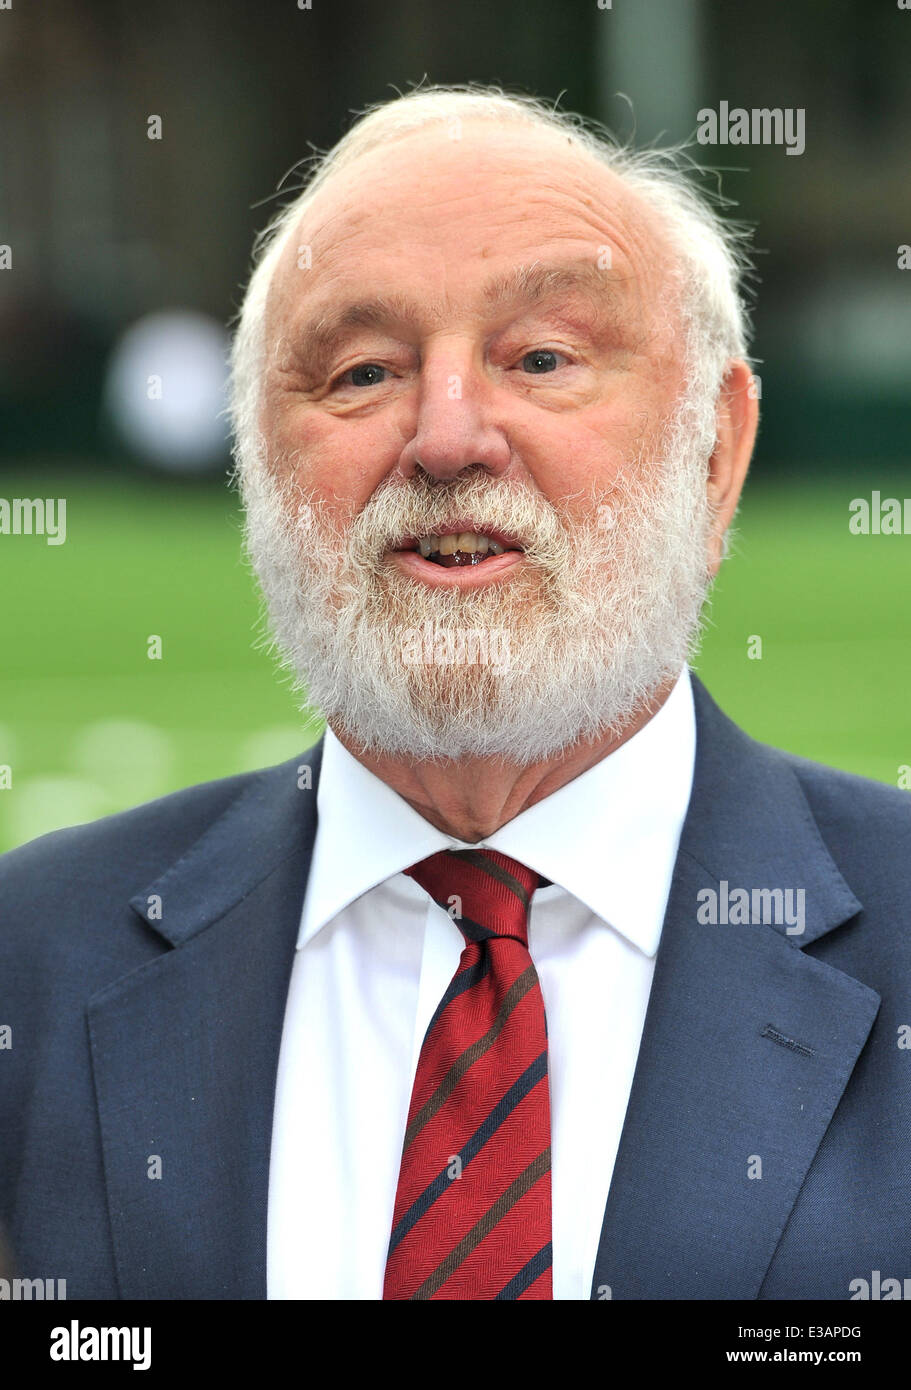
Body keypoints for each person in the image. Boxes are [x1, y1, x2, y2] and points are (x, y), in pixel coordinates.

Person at [1, 85, 908, 1301]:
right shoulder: (29, 962)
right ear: (255, 463)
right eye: (363, 371)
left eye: (540, 358)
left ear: (713, 449)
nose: (444, 437)